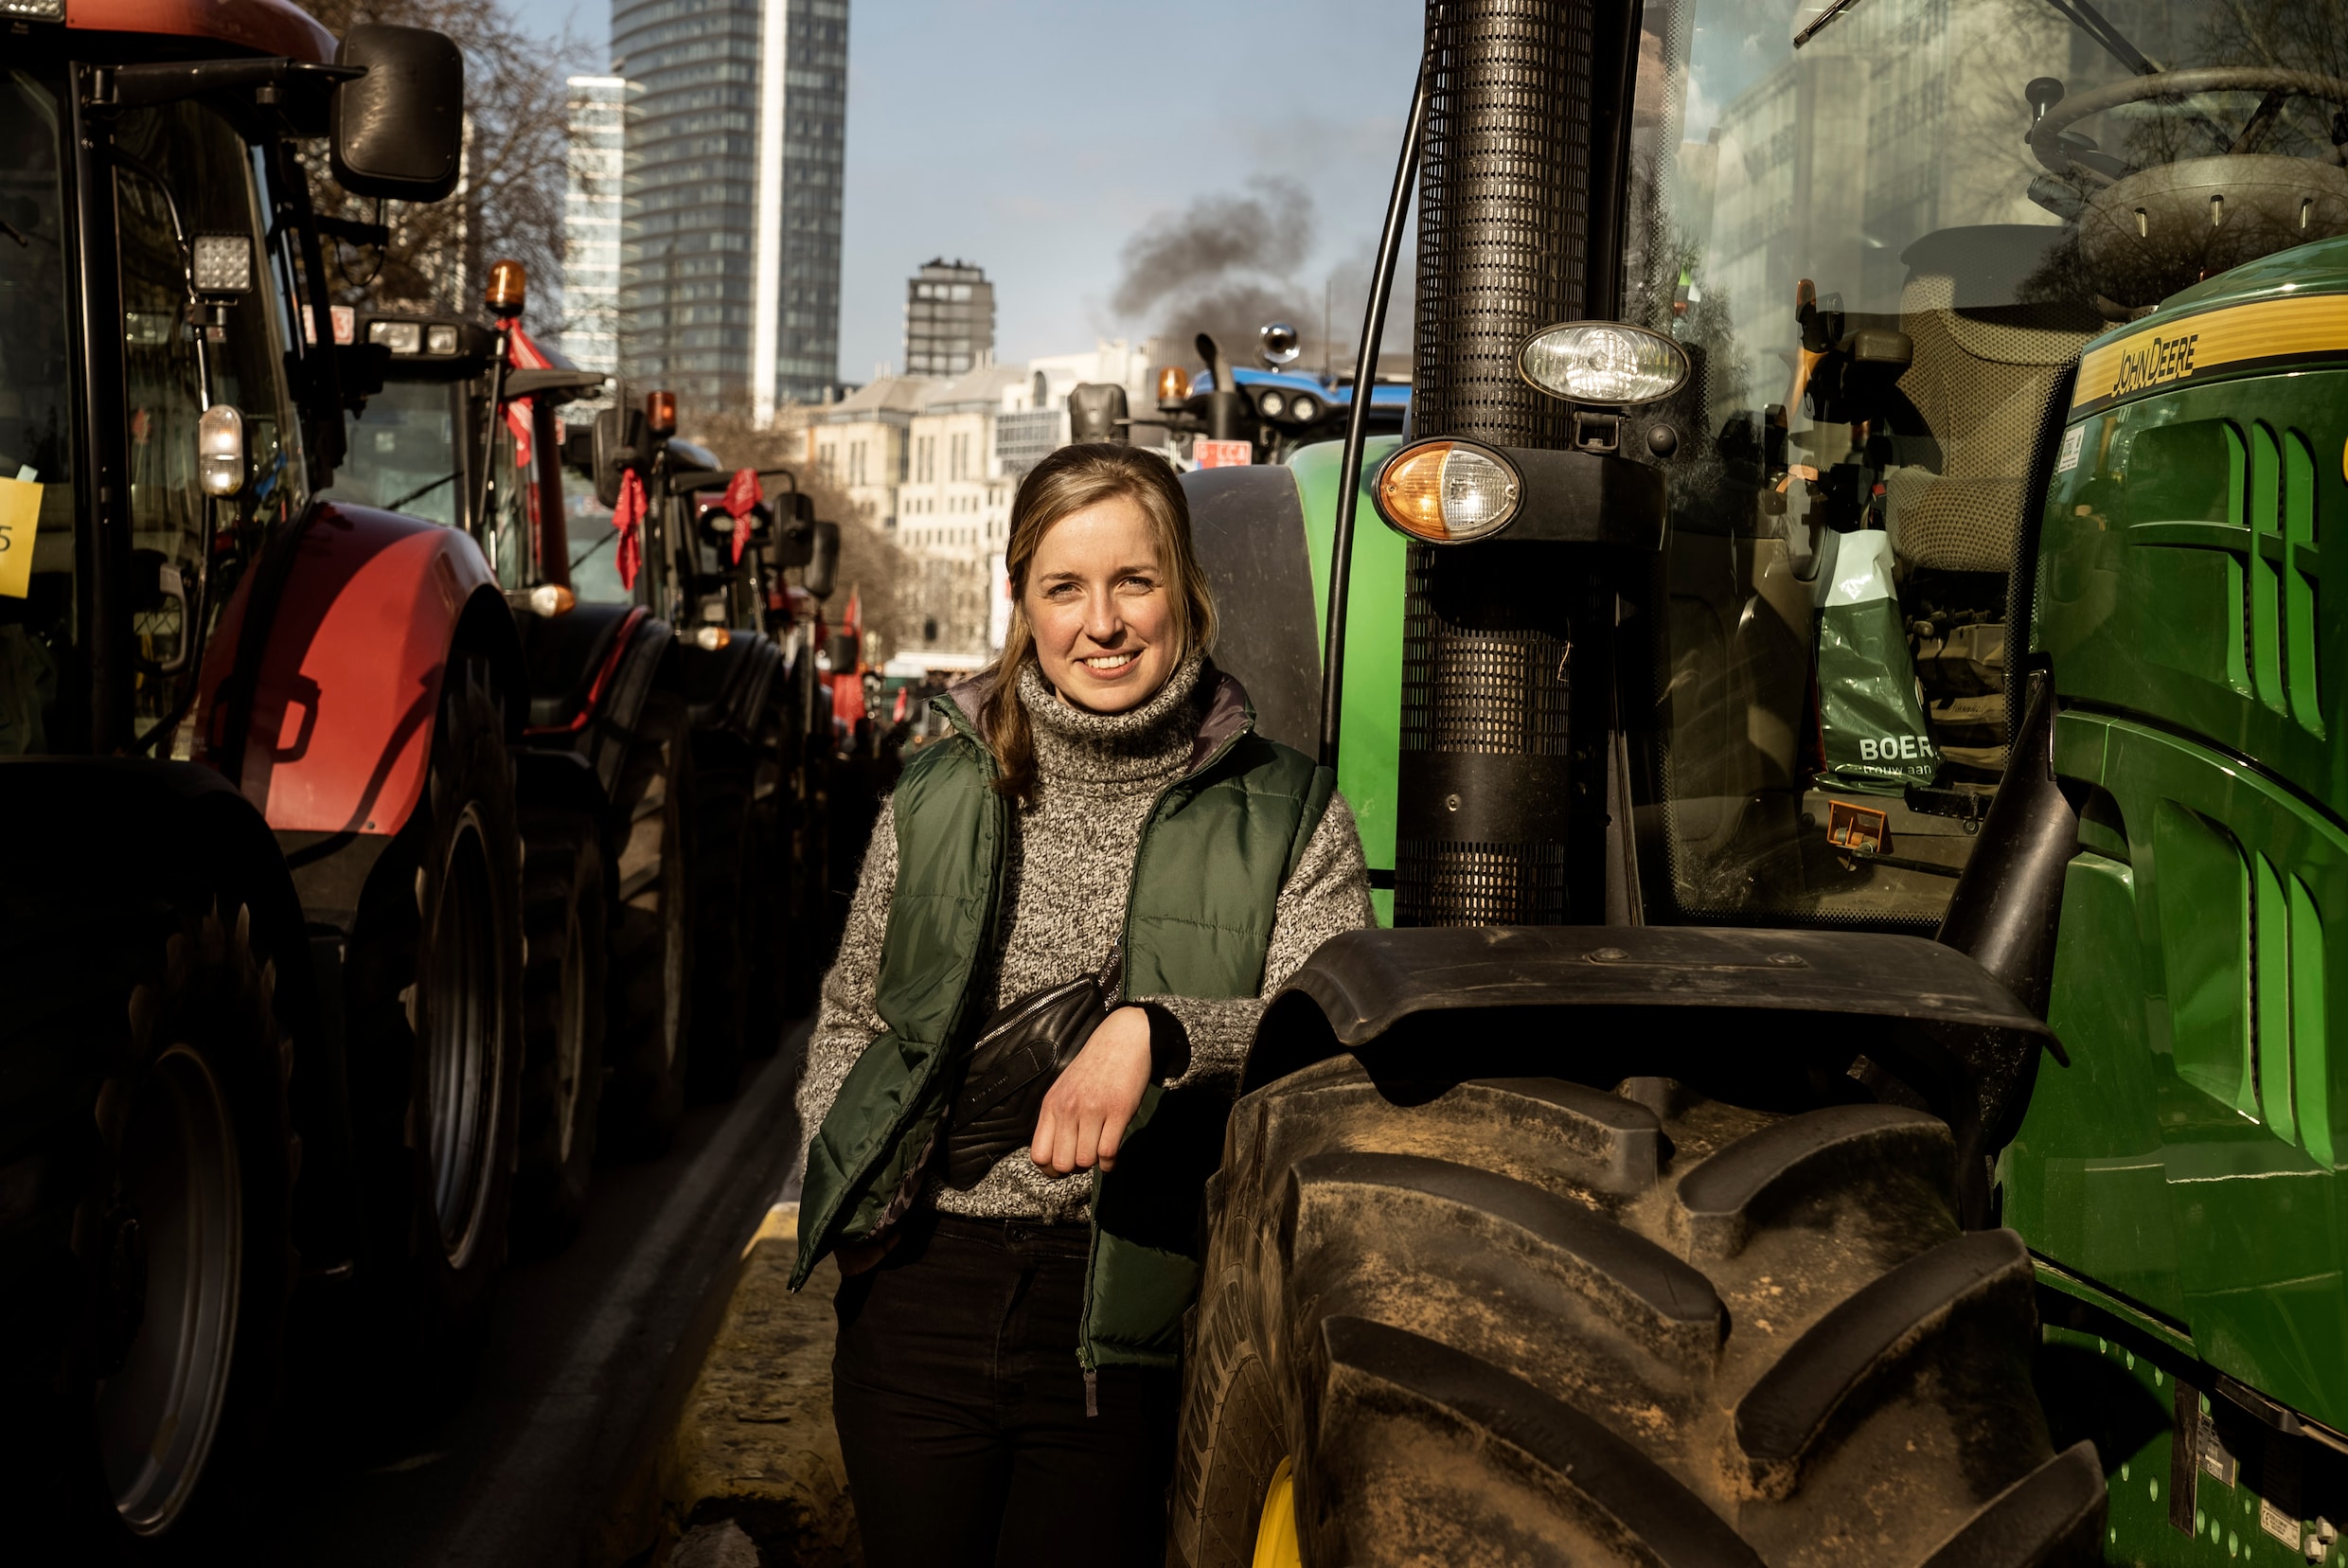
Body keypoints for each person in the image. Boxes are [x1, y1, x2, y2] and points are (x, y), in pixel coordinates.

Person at [790, 442, 1373, 1565]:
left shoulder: (1289, 811)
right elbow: (856, 1018)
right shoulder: (941, 788)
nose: (1101, 624)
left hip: (1128, 1322)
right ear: (1022, 603)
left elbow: (1331, 1032)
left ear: (1186, 593)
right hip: (916, 1303)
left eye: (1132, 583)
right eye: (1065, 588)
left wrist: (1158, 1032)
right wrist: (857, 1214)